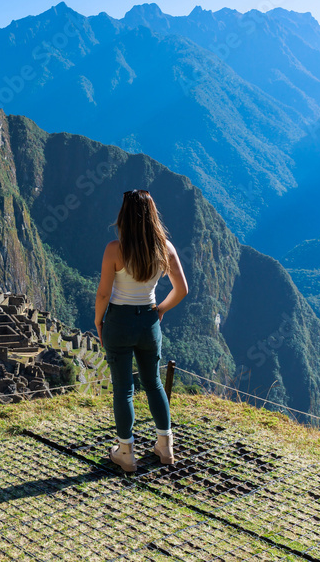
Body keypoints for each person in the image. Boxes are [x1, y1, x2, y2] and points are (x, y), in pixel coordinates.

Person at [95, 189, 189, 471]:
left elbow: (103, 294)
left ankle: (125, 452)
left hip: (119, 322)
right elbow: (182, 289)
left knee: (123, 389)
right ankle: (165, 446)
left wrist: (99, 322)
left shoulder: (115, 249)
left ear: (124, 216)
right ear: (152, 216)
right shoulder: (165, 248)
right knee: (154, 384)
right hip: (149, 322)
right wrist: (160, 310)